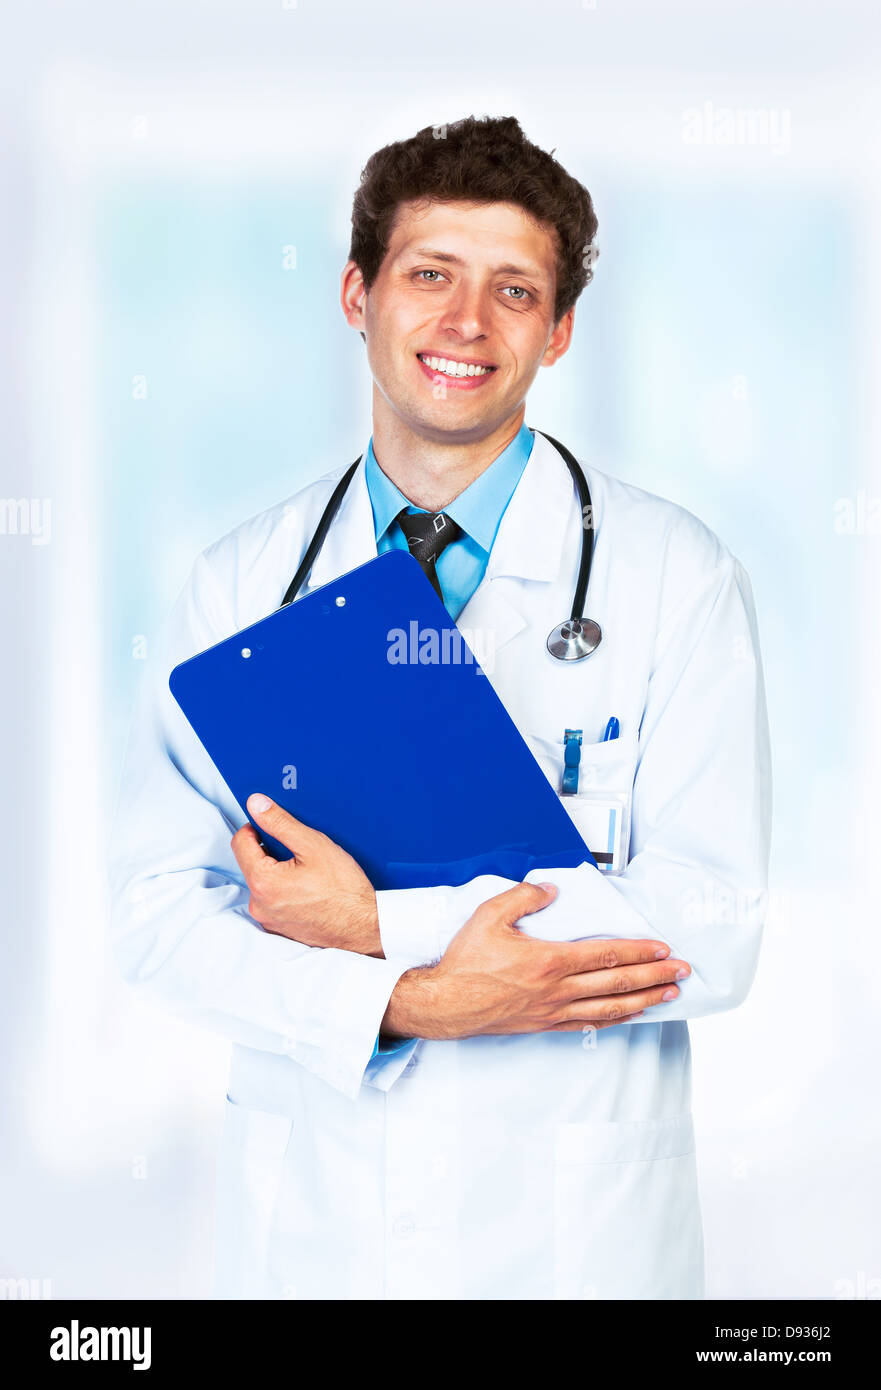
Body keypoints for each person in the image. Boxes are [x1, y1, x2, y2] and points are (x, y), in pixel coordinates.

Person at [109, 115, 771, 1300]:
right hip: (319, 1228)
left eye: (512, 290)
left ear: (557, 330)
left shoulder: (675, 577)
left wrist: (372, 929)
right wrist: (419, 1000)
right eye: (429, 274)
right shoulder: (239, 585)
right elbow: (159, 921)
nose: (465, 324)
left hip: (580, 1243)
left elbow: (707, 936)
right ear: (357, 296)